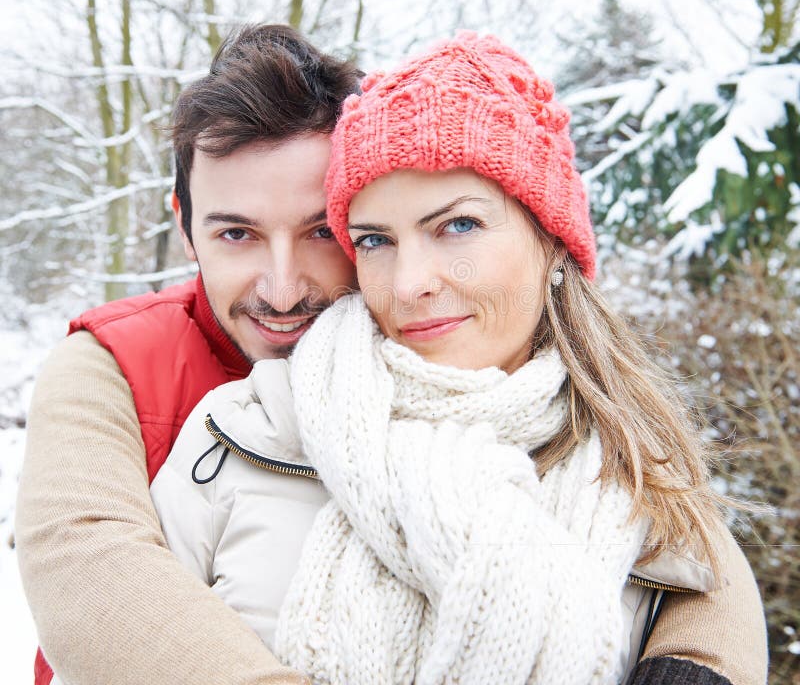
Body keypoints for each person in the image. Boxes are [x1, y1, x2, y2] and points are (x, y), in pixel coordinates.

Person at [150, 33, 768, 684]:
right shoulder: (246, 430)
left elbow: (718, 609)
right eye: (374, 240)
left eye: (458, 225)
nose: (410, 281)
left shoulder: (642, 477)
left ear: (551, 237)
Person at [15, 24, 361, 685]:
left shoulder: (427, 355)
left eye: (321, 231)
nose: (282, 290)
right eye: (238, 233)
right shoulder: (109, 365)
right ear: (184, 226)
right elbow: (85, 558)